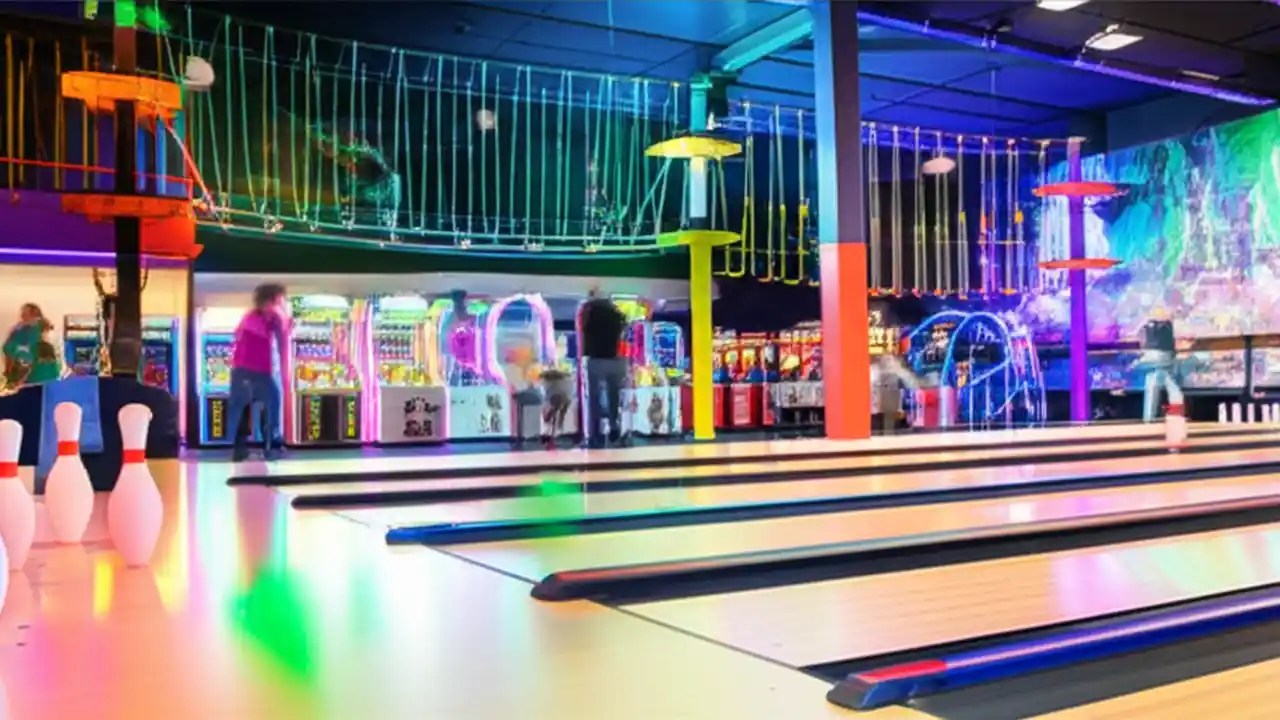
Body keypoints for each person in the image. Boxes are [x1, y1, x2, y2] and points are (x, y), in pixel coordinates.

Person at [226, 284, 290, 461]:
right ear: (274, 298)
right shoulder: (273, 315)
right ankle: (271, 446)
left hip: (240, 370)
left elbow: (237, 337)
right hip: (259, 371)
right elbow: (282, 343)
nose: (282, 302)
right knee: (272, 403)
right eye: (281, 298)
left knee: (241, 408)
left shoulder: (249, 316)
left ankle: (238, 448)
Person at [579, 291, 628, 448]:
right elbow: (624, 326)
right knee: (615, 396)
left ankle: (596, 434)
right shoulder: (616, 314)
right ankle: (614, 427)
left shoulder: (590, 313)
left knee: (594, 399)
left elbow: (584, 330)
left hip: (596, 360)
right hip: (615, 360)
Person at [3, 303, 61, 388]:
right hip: (51, 378)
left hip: (35, 379)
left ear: (34, 315)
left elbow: (11, 349)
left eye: (25, 314)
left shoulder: (30, 332)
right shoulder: (23, 330)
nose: (22, 316)